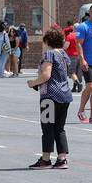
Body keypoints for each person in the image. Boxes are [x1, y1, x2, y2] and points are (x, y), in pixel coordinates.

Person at [27, 27, 71, 170]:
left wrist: (33, 83)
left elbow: (46, 75)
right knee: (59, 128)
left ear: (47, 41)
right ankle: (62, 158)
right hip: (64, 95)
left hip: (50, 96)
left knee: (47, 128)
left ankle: (45, 159)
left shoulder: (49, 55)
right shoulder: (63, 54)